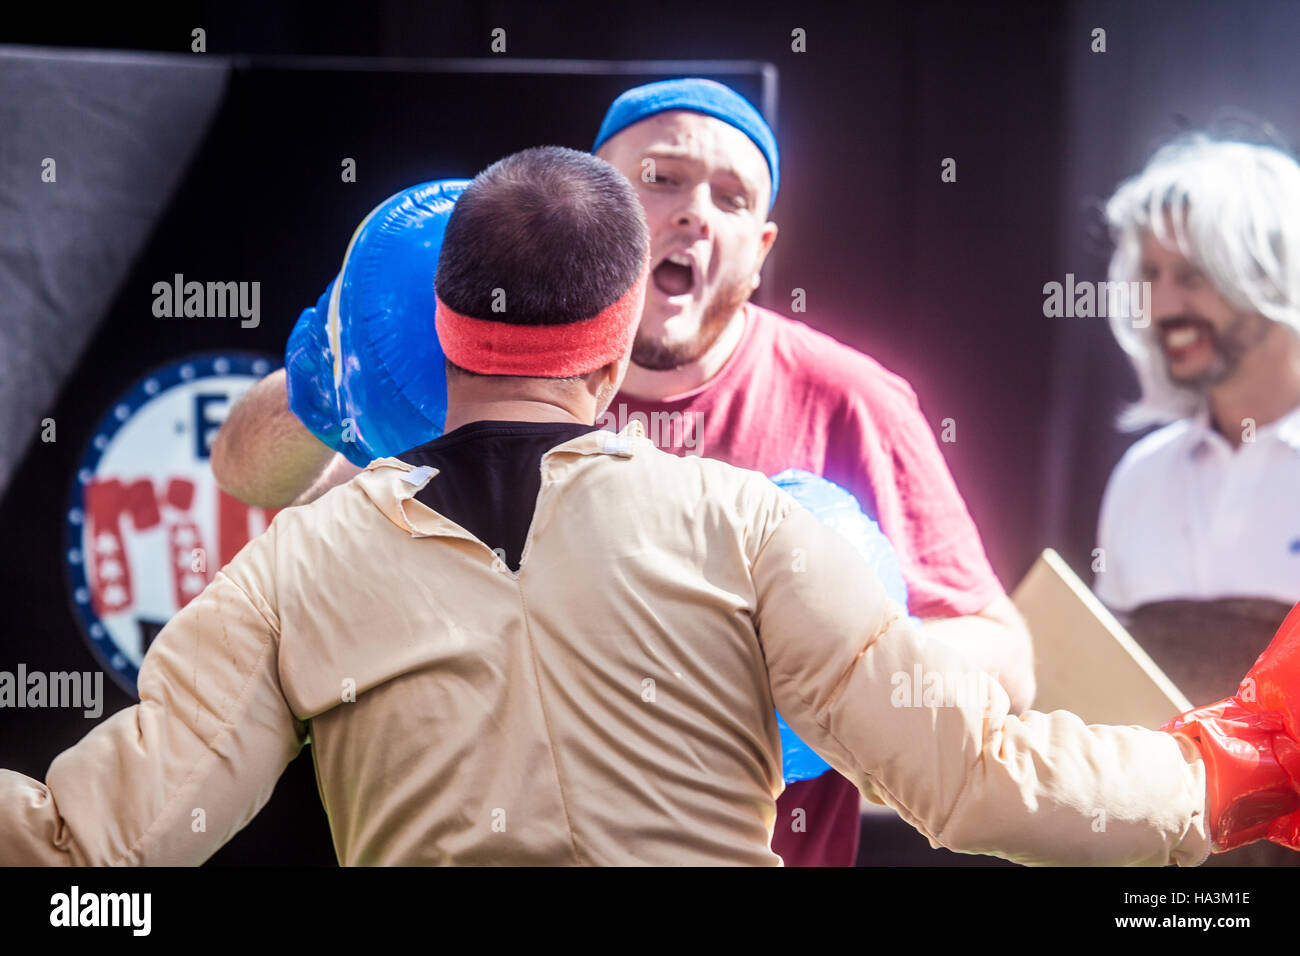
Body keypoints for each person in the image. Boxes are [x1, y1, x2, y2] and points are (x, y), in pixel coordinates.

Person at [7, 145, 1294, 866]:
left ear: (439, 326)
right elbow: (982, 783)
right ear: (620, 335)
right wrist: (1232, 766)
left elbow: (87, 854)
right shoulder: (758, 533)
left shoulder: (298, 567)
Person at [211, 78, 1035, 866]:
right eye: (661, 178)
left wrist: (830, 655)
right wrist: (332, 374)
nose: (695, 212)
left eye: (732, 198)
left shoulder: (848, 399)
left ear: (759, 252)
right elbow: (248, 475)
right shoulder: (479, 356)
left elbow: (1005, 660)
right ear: (592, 209)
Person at [1096, 134, 1300, 621]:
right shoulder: (1140, 478)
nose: (1162, 306)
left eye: (1194, 275)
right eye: (1151, 275)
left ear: (1275, 277)